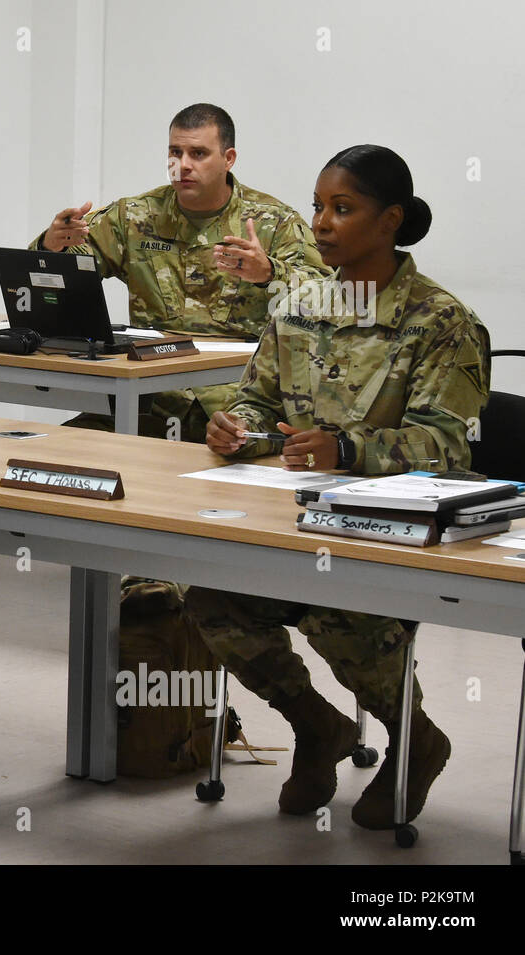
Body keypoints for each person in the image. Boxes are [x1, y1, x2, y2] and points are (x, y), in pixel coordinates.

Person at [184, 145, 490, 828]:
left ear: (390, 222)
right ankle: (317, 723)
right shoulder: (299, 305)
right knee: (209, 596)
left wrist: (348, 449)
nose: (320, 222)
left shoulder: (443, 324)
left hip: (387, 537)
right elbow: (261, 404)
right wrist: (237, 430)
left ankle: (415, 738)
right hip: (290, 519)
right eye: (319, 206)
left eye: (341, 209)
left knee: (331, 601)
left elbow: (446, 445)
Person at [30, 103, 331, 439]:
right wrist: (50, 247)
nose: (183, 166)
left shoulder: (272, 221)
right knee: (54, 449)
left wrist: (269, 272)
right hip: (149, 398)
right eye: (176, 152)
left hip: (236, 405)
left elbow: (326, 296)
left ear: (228, 158)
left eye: (198, 153)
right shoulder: (135, 217)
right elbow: (51, 280)